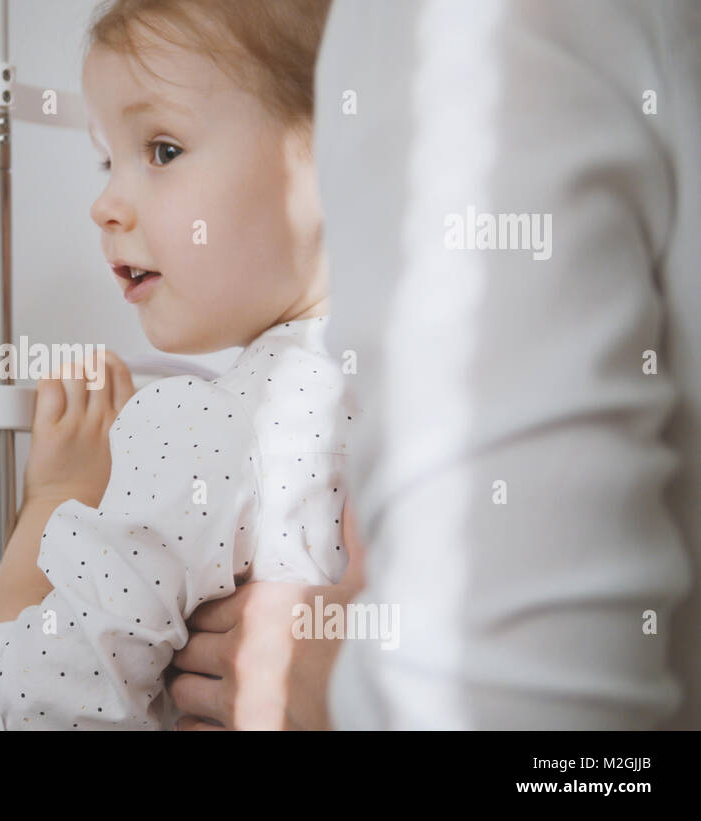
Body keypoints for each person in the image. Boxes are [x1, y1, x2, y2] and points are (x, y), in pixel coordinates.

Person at [175, 0, 701, 730]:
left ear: (303, 156)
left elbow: (546, 740)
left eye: (163, 149)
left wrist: (329, 691)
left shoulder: (447, 25)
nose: (106, 206)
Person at [0, 0, 349, 730]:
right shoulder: (450, 390)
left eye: (162, 149)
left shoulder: (214, 428)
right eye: (108, 158)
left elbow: (13, 712)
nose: (104, 204)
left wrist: (55, 496)